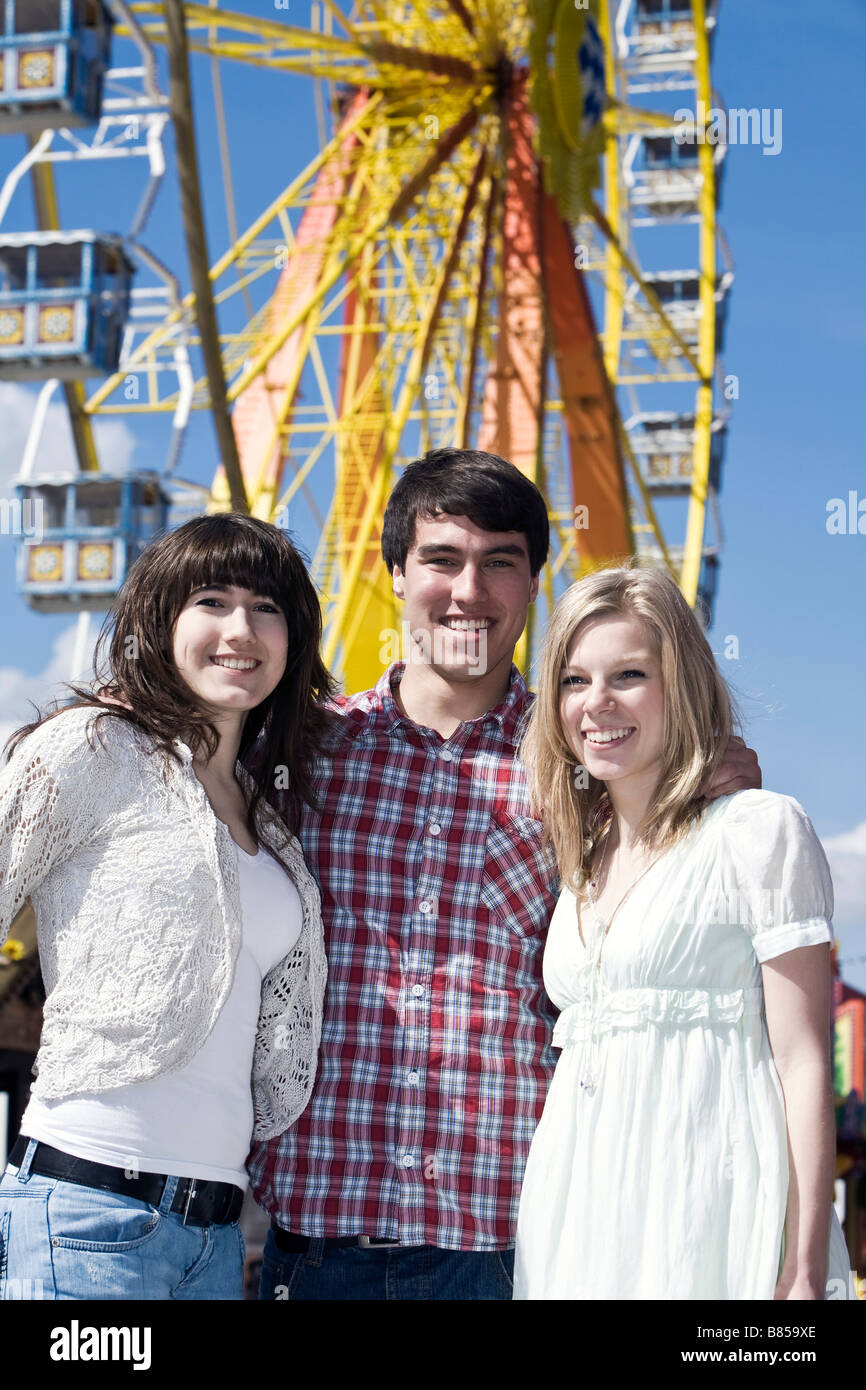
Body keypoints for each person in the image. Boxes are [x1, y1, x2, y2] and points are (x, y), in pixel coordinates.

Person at [248, 447, 762, 1300]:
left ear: (534, 585)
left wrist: (713, 788)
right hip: (317, 1245)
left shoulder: (589, 769)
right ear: (396, 573)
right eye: (442, 560)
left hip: (514, 1247)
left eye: (501, 563)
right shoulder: (307, 752)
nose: (470, 590)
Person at [0, 514, 331, 1301]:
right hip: (88, 1216)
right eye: (211, 601)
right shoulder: (93, 749)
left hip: (213, 1241)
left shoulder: (269, 815)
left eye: (267, 608)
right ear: (160, 620)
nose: (240, 630)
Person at [512, 563, 853, 1299]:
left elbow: (802, 1063)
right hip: (580, 1216)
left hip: (711, 1206)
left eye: (628, 675)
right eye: (574, 681)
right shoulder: (579, 859)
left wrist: (801, 1271)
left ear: (683, 684)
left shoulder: (759, 831)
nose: (596, 704)